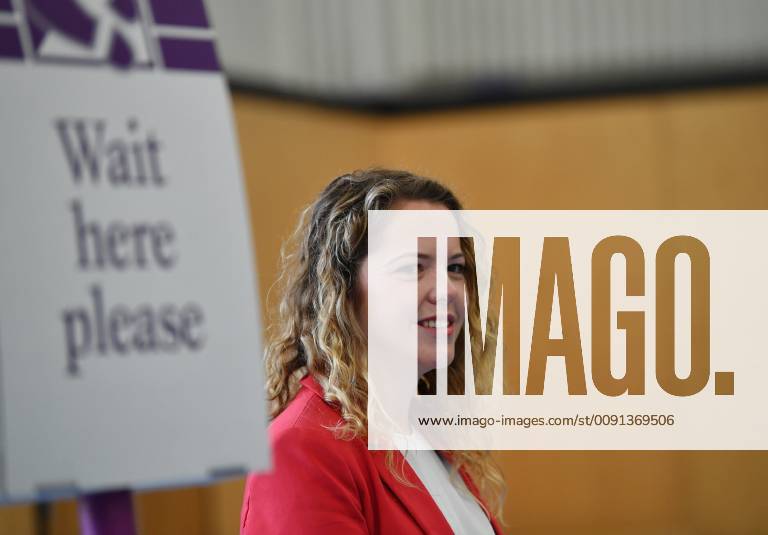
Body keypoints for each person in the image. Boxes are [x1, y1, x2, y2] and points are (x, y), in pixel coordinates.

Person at [240, 168, 505, 534]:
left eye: (455, 267)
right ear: (344, 291)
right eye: (413, 266)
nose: (446, 289)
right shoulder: (301, 450)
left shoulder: (421, 432)